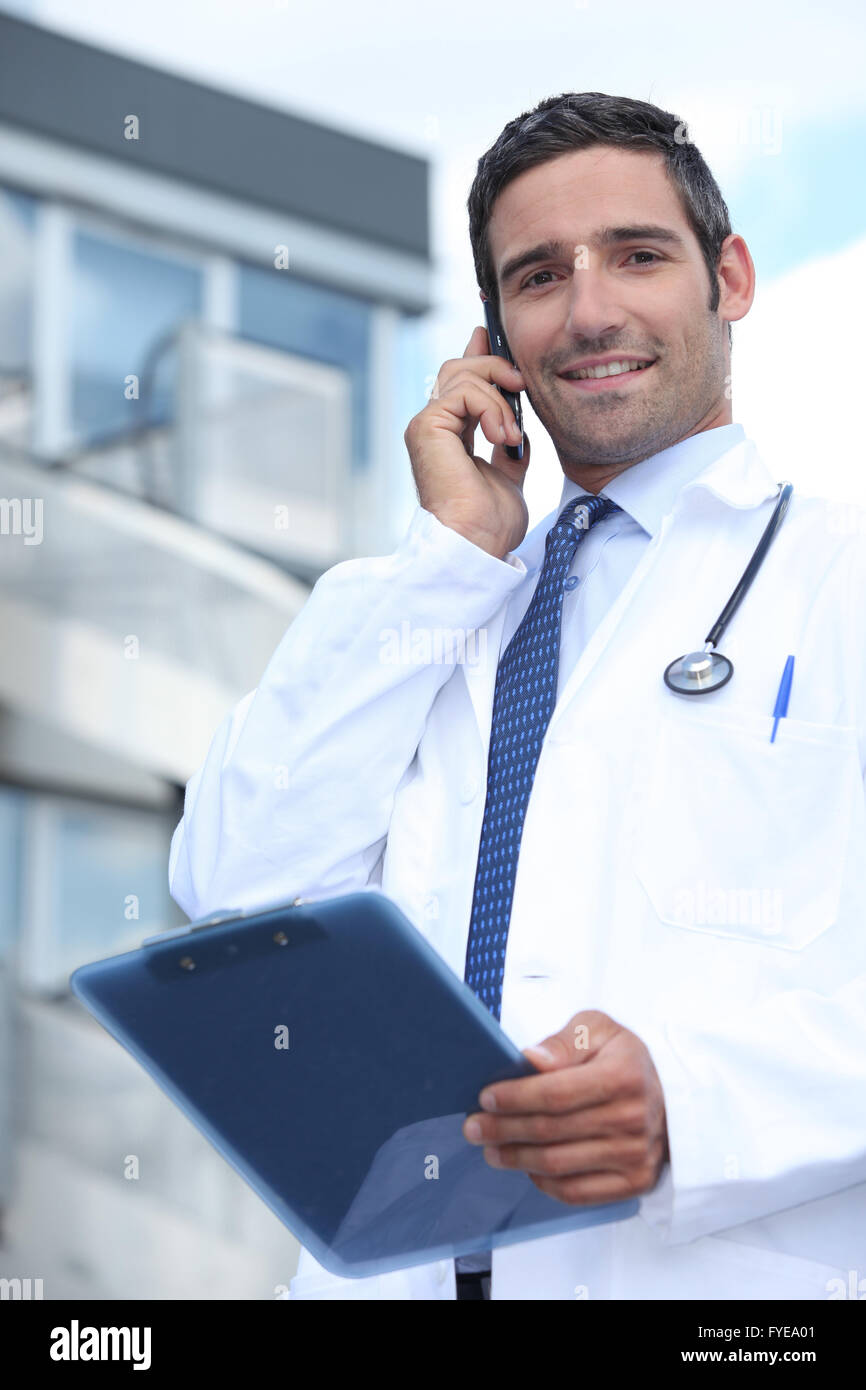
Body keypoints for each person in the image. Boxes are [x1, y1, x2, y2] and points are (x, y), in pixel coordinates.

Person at [169, 92, 866, 1301]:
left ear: (732, 277)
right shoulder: (432, 603)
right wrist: (446, 554)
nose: (589, 309)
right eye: (538, 276)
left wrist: (695, 1105)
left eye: (637, 256)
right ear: (492, 338)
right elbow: (231, 890)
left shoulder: (835, 579)